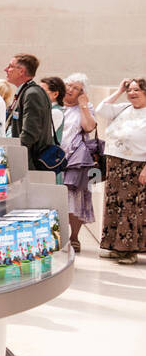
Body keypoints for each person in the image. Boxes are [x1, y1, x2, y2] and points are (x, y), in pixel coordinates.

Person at [95, 78, 146, 265]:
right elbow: (101, 109)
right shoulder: (124, 108)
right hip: (115, 163)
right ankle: (114, 247)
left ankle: (129, 250)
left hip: (137, 165)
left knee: (130, 207)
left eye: (137, 90)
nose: (132, 93)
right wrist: (118, 91)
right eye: (130, 90)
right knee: (113, 204)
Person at [60, 73, 100, 253]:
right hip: (53, 158)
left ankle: (74, 237)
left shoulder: (85, 107)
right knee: (59, 197)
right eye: (68, 85)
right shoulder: (55, 104)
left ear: (82, 92)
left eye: (75, 88)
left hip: (76, 159)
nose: (70, 90)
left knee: (77, 198)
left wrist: (83, 104)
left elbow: (89, 127)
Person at [5, 53, 56, 169]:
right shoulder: (26, 92)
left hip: (29, 163)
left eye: (10, 66)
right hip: (25, 160)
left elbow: (30, 133)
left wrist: (14, 155)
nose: (6, 69)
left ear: (21, 71)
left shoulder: (32, 94)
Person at [38, 76, 66, 142]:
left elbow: (42, 136)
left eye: (42, 91)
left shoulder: (56, 112)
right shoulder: (44, 109)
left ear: (55, 94)